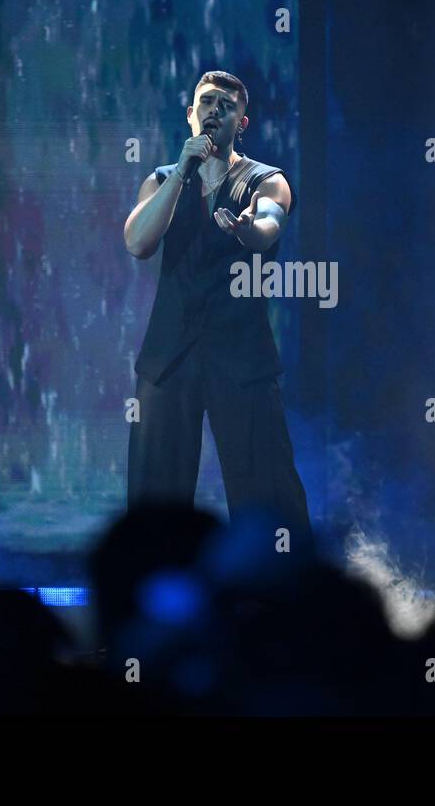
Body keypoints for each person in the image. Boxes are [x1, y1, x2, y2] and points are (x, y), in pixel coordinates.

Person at [123, 70, 314, 553]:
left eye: (226, 106)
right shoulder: (163, 180)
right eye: (206, 102)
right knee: (155, 504)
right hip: (169, 359)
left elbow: (268, 226)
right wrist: (184, 171)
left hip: (241, 358)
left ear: (241, 121)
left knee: (267, 494)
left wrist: (248, 228)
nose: (214, 111)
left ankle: (284, 600)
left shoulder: (265, 180)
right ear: (190, 115)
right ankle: (155, 601)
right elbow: (138, 241)